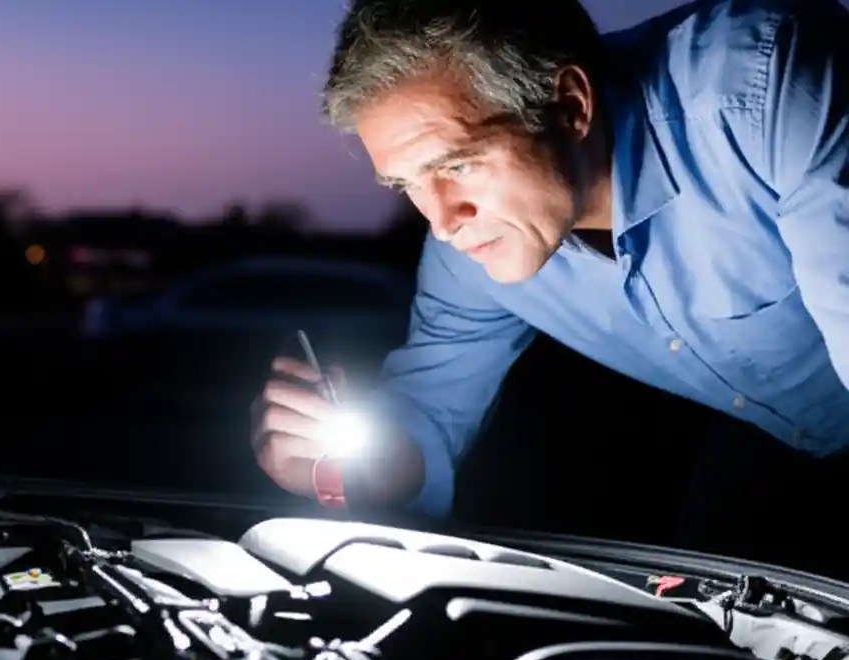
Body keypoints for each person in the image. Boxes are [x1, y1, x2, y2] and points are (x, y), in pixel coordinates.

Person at [250, 0, 849, 574]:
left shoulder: (766, 91)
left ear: (569, 105)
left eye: (456, 165)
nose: (442, 220)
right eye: (405, 182)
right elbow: (426, 416)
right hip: (773, 442)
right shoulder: (470, 247)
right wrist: (332, 464)